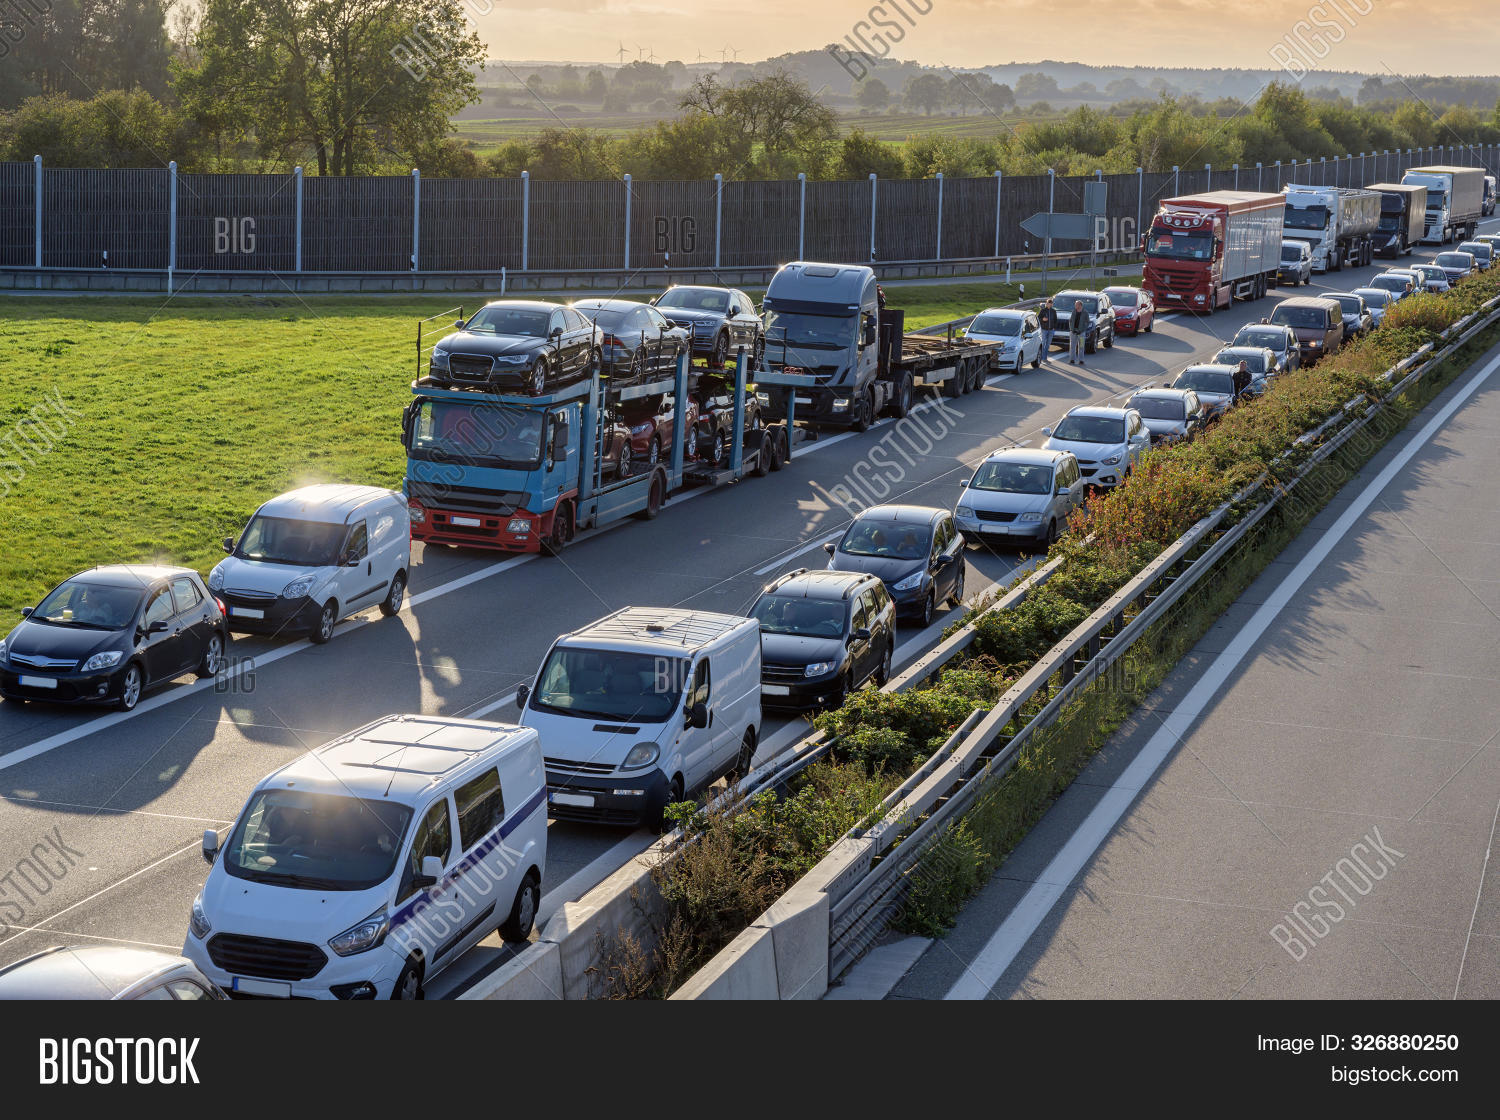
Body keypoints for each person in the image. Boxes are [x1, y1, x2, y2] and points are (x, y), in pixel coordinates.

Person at [1068, 300, 1087, 366]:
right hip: (1073, 332)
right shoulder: (1074, 311)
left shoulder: (1085, 312)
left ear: (1080, 305)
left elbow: (1087, 322)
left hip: (1081, 333)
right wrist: (1071, 329)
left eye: (1076, 305)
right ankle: (1072, 359)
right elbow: (1070, 320)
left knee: (1081, 346)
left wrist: (1082, 329)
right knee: (1072, 346)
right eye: (1075, 304)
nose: (1075, 306)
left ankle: (1081, 360)